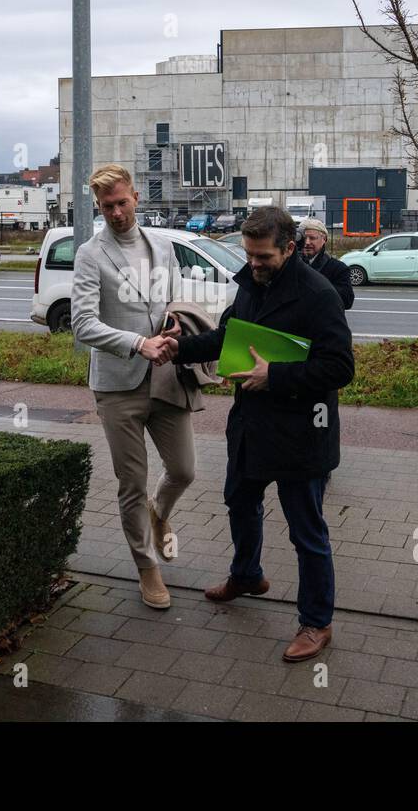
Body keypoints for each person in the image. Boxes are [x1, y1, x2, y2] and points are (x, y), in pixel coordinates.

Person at [170, 206, 355, 662]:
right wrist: (179, 348)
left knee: (306, 532)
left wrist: (276, 375)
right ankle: (247, 575)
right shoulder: (251, 283)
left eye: (263, 257)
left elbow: (339, 367)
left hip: (301, 433)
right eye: (249, 256)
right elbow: (225, 336)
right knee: (239, 502)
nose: (253, 265)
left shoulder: (318, 295)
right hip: (251, 425)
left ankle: (316, 623)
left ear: (290, 249)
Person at [71, 164, 197, 610]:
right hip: (118, 386)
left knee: (183, 470)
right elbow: (82, 323)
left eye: (122, 203)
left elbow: (174, 301)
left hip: (165, 376)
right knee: (131, 483)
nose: (116, 213)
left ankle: (159, 514)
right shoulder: (90, 253)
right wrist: (138, 344)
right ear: (98, 207)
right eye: (107, 207)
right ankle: (147, 567)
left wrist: (175, 324)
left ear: (137, 197)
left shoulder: (162, 246)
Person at [300, 218, 354, 310]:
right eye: (304, 238)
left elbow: (347, 301)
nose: (307, 242)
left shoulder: (339, 269)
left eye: (312, 238)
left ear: (324, 239)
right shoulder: (291, 265)